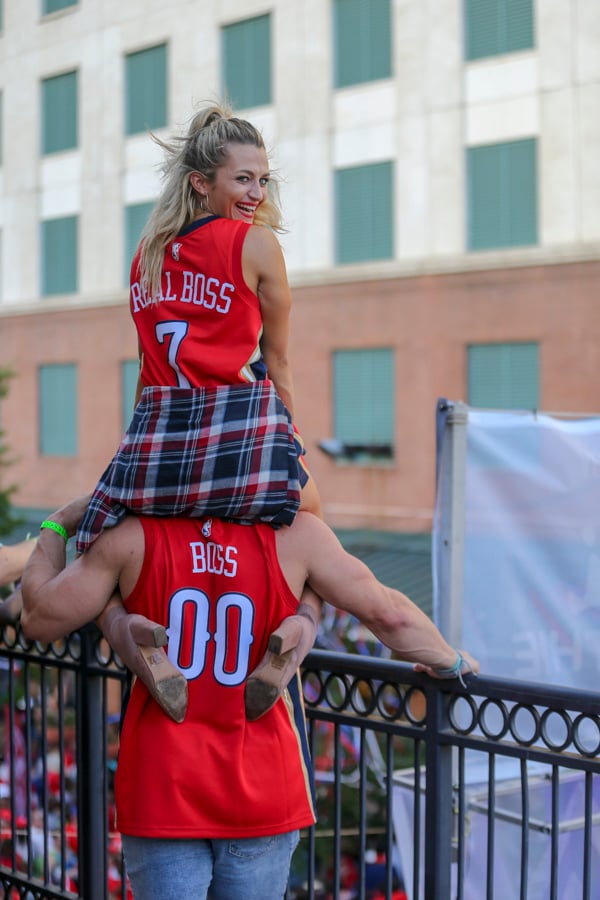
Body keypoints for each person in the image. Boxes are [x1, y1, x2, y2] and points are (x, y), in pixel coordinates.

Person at [20, 496, 478, 900]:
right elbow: (389, 614)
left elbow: (38, 617)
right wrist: (450, 660)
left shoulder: (130, 535)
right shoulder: (298, 535)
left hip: (162, 786)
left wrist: (58, 523)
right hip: (263, 789)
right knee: (310, 595)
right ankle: (301, 623)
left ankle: (122, 622)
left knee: (111, 606)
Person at [73, 103, 325, 722]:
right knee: (315, 531)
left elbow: (146, 372)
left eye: (263, 179)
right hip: (234, 440)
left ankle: (132, 636)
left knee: (92, 548)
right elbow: (278, 362)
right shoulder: (257, 245)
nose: (257, 193)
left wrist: (134, 459)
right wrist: (288, 449)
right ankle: (291, 639)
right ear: (200, 183)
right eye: (243, 179)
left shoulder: (145, 256)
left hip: (158, 443)